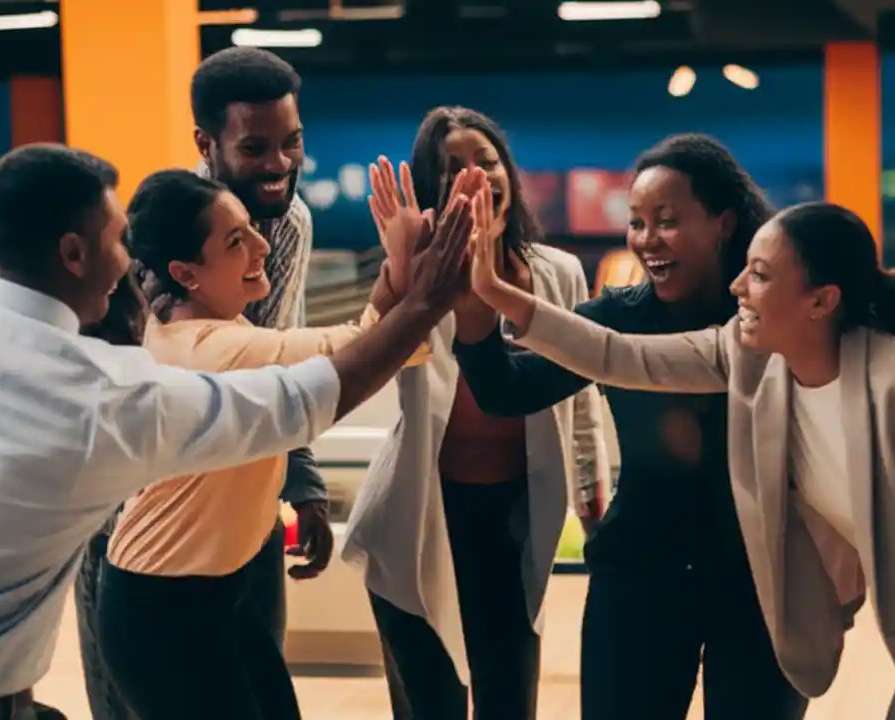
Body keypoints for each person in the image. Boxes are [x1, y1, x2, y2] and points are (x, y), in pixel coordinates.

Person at [0, 142, 475, 720]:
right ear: (73, 253)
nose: (129, 264)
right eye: (118, 242)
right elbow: (306, 398)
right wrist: (426, 299)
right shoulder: (106, 392)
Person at [468, 198, 895, 719]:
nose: (737, 285)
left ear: (821, 300)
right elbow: (617, 354)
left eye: (761, 274)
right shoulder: (748, 359)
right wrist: (496, 292)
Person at [452, 133, 806, 719]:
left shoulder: (770, 322)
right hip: (641, 574)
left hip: (760, 580)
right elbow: (506, 389)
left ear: (722, 222)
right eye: (636, 222)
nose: (646, 240)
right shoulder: (620, 315)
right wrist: (475, 306)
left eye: (666, 221)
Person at [92, 167, 442, 719]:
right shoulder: (222, 351)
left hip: (211, 593)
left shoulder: (184, 330)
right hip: (160, 612)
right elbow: (375, 347)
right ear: (186, 273)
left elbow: (371, 335)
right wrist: (418, 274)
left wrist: (399, 267)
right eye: (236, 241)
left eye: (251, 228)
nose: (260, 245)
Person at [72, 47, 326, 720]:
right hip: (138, 525)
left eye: (291, 141)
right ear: (206, 145)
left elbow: (275, 358)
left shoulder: (292, 223)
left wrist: (301, 478)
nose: (278, 164)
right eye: (255, 148)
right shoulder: (153, 234)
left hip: (239, 515)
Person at [342, 106, 611, 720]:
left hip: (513, 516)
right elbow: (365, 356)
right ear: (433, 190)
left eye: (485, 162)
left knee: (509, 695)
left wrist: (593, 496)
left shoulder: (557, 273)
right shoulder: (419, 280)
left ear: (508, 174)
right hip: (420, 516)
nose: (473, 177)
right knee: (430, 701)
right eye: (452, 168)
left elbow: (579, 395)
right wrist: (398, 270)